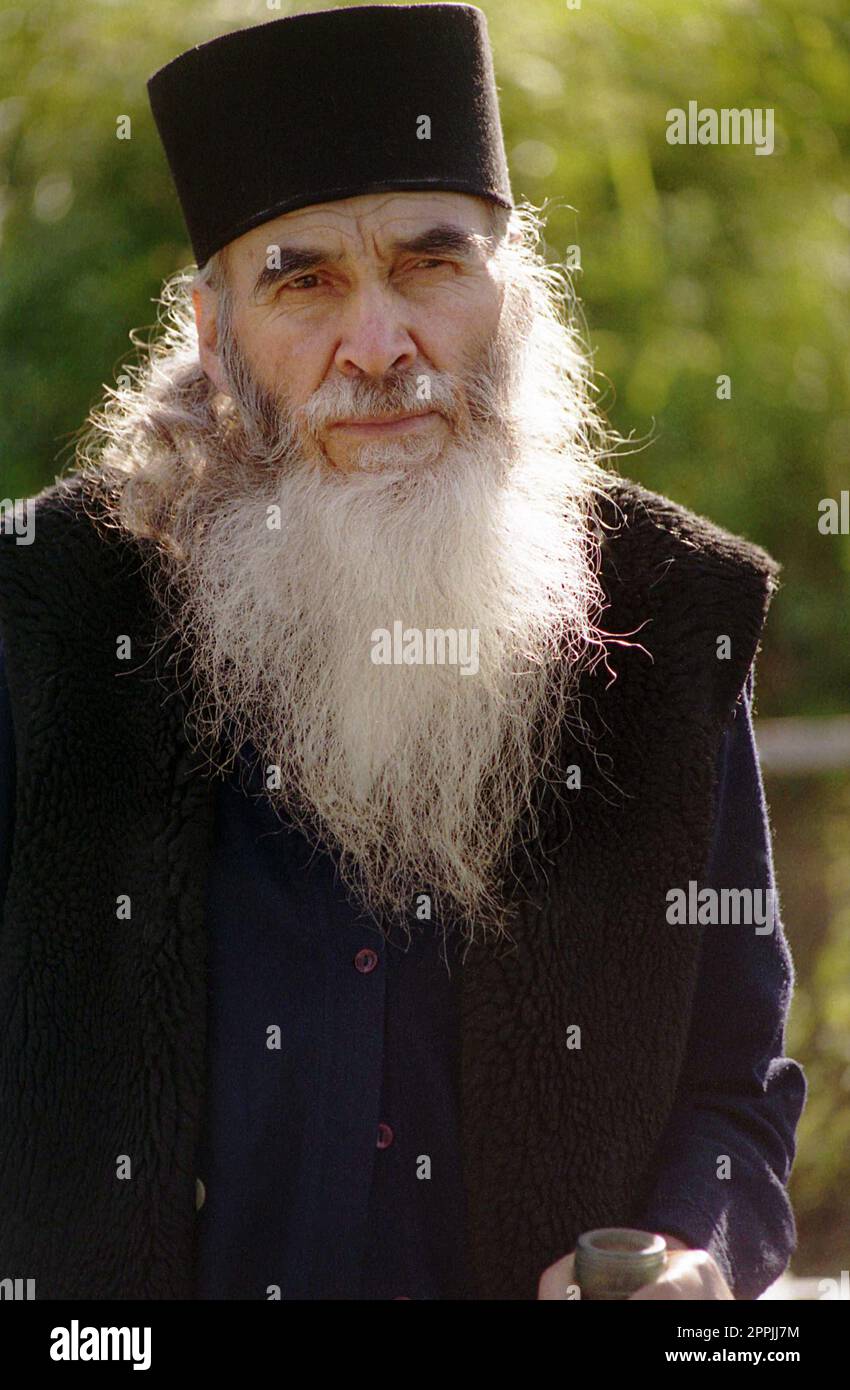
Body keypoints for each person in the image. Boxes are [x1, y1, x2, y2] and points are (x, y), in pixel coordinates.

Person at [0, 4, 805, 1301]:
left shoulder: (672, 620)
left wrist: (693, 1254)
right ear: (214, 339)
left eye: (430, 265)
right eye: (302, 279)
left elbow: (735, 1089)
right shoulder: (38, 616)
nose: (377, 348)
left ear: (512, 296)